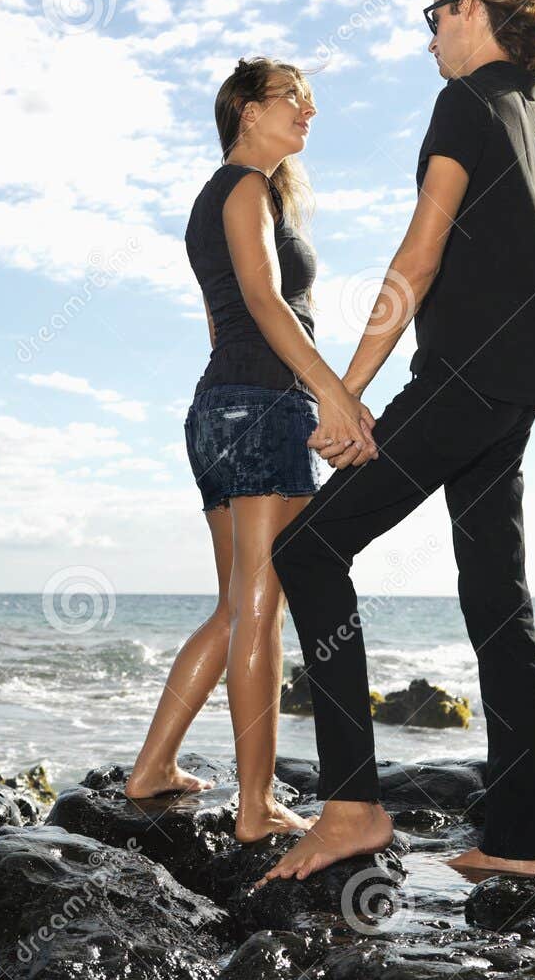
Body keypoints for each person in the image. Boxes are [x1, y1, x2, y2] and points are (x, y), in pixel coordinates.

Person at [256, 0, 535, 885]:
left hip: (462, 380)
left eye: (434, 16)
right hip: (520, 387)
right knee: (497, 602)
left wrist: (347, 390)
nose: (430, 35)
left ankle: (352, 804)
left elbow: (418, 256)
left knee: (308, 550)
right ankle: (520, 840)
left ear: (469, 8)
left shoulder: (466, 104)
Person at [125, 56, 380, 842]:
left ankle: (152, 769)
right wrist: (334, 392)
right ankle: (254, 806)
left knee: (240, 606)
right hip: (262, 406)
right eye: (293, 100)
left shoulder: (223, 197)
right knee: (263, 611)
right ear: (248, 111)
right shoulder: (242, 189)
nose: (308, 113)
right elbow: (267, 304)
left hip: (219, 409)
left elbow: (222, 319)